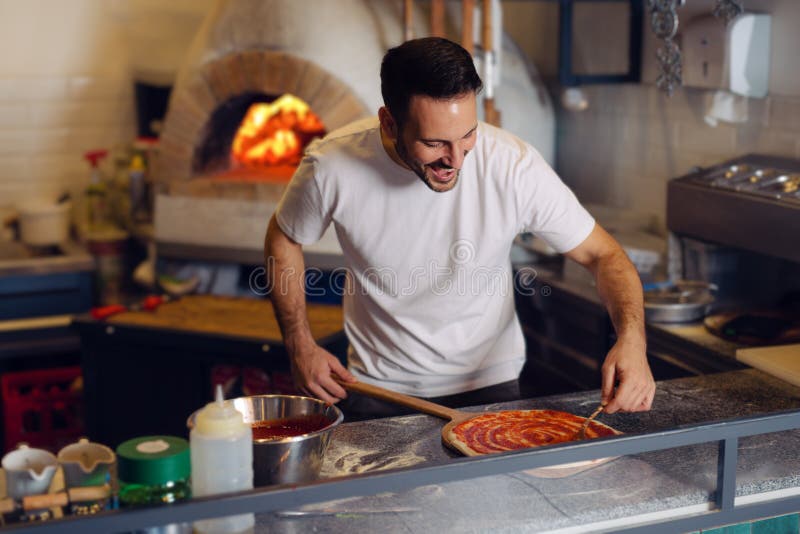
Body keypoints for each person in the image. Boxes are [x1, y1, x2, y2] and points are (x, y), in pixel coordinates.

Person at [264, 37, 655, 420]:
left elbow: (603, 255)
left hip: (490, 385)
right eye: (434, 143)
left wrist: (632, 339)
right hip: (375, 388)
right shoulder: (332, 166)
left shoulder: (513, 165)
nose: (456, 159)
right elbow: (284, 236)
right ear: (389, 122)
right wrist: (300, 345)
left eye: (468, 134)